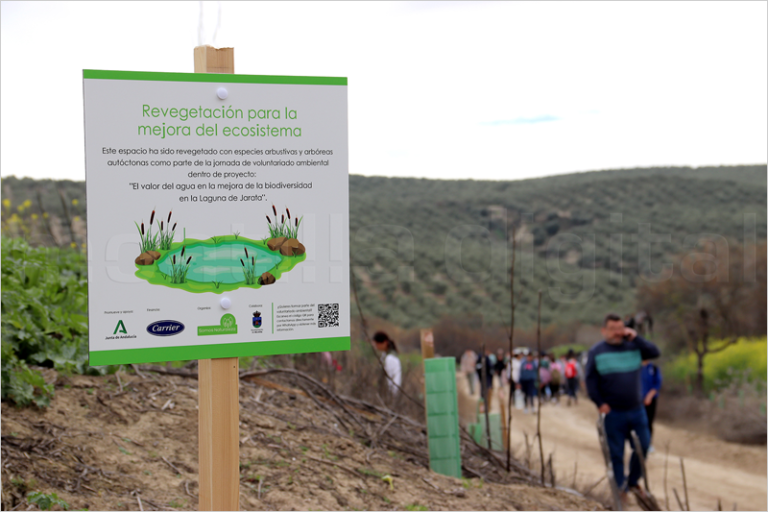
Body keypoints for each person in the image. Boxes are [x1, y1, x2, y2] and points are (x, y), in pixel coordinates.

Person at [586, 313, 660, 503]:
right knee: (616, 453)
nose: (617, 333)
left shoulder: (634, 347)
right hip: (613, 412)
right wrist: (600, 403)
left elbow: (655, 352)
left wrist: (636, 337)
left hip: (636, 409)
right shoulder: (597, 352)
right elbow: (591, 380)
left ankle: (633, 481)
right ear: (604, 331)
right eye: (613, 329)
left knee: (643, 445)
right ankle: (620, 489)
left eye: (620, 328)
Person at [641, 359, 662, 452]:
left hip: (650, 400)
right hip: (636, 400)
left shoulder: (653, 368)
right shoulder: (635, 367)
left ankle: (648, 444)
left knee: (648, 422)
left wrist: (649, 397)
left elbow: (657, 384)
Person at [373, 331, 402, 397]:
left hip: (390, 393)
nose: (376, 347)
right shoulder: (384, 355)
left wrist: (392, 394)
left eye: (377, 344)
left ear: (384, 343)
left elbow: (391, 378)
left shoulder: (390, 358)